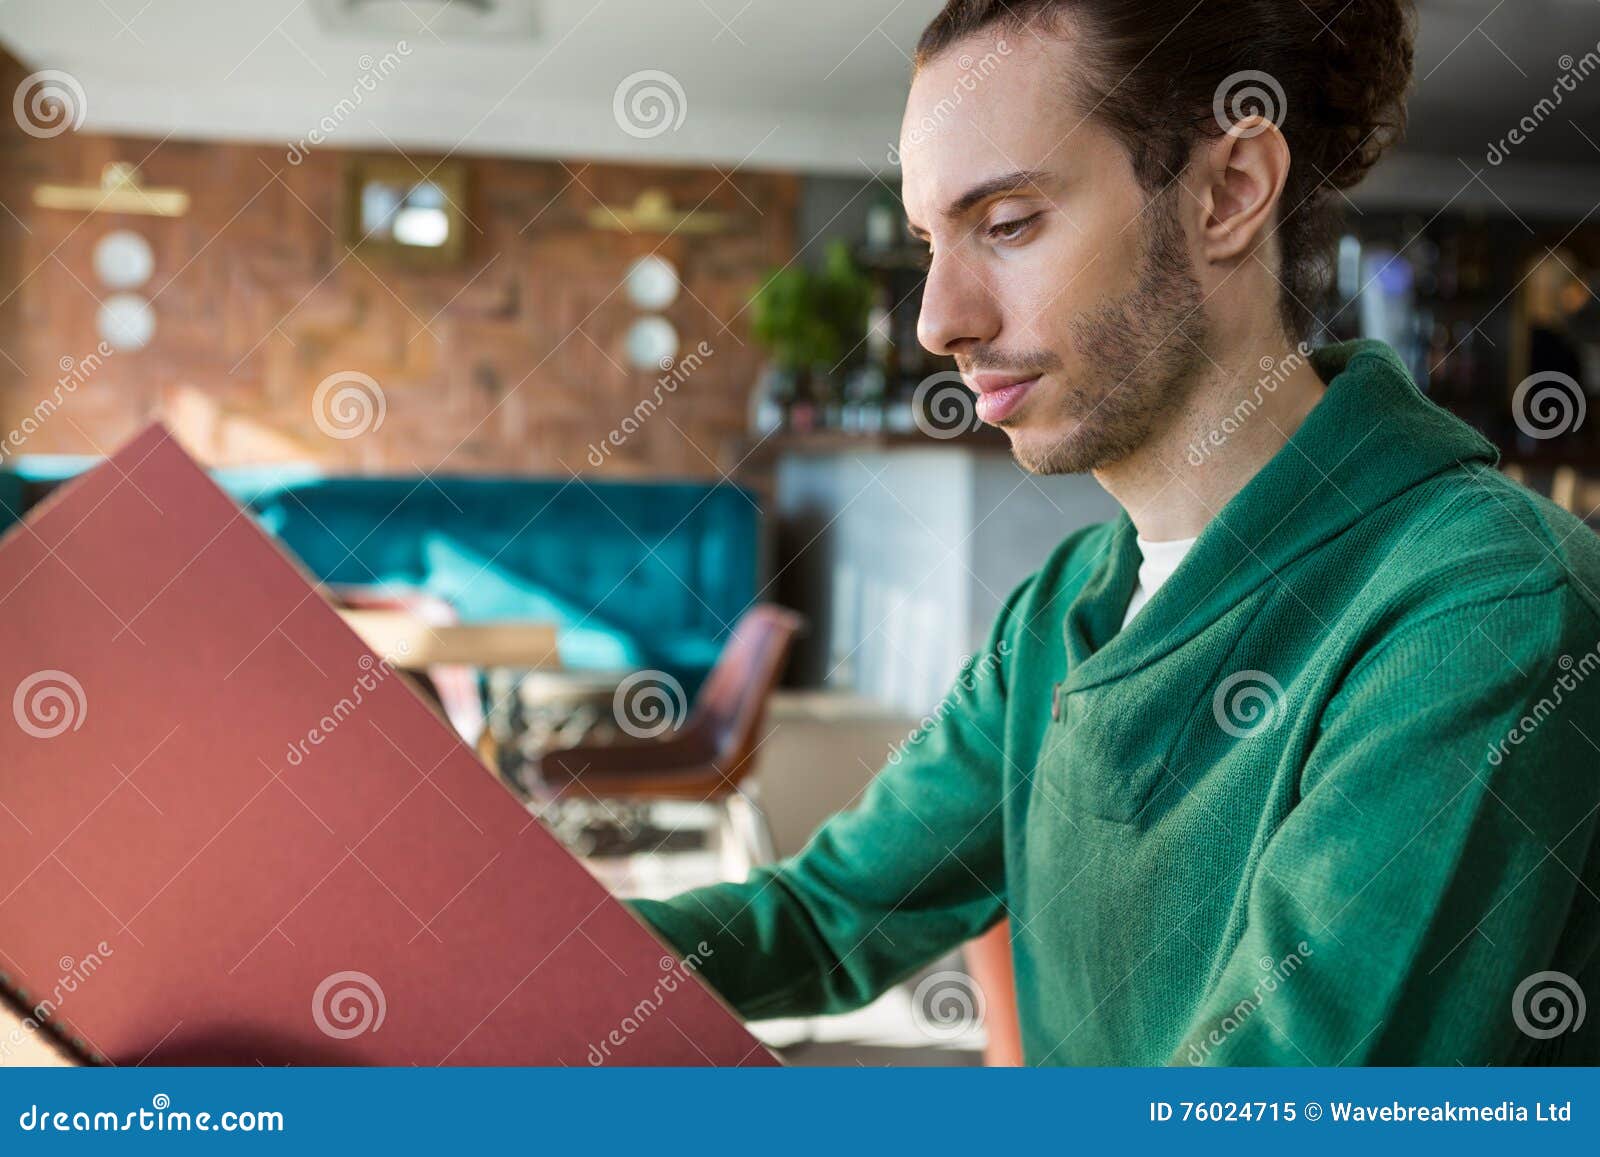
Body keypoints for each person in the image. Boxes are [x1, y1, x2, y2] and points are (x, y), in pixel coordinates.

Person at [632, 0, 1600, 1065]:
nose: (935, 320)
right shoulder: (1064, 607)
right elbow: (821, 919)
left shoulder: (1487, 609)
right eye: (929, 241)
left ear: (1228, 193)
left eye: (1004, 224)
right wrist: (500, 952)